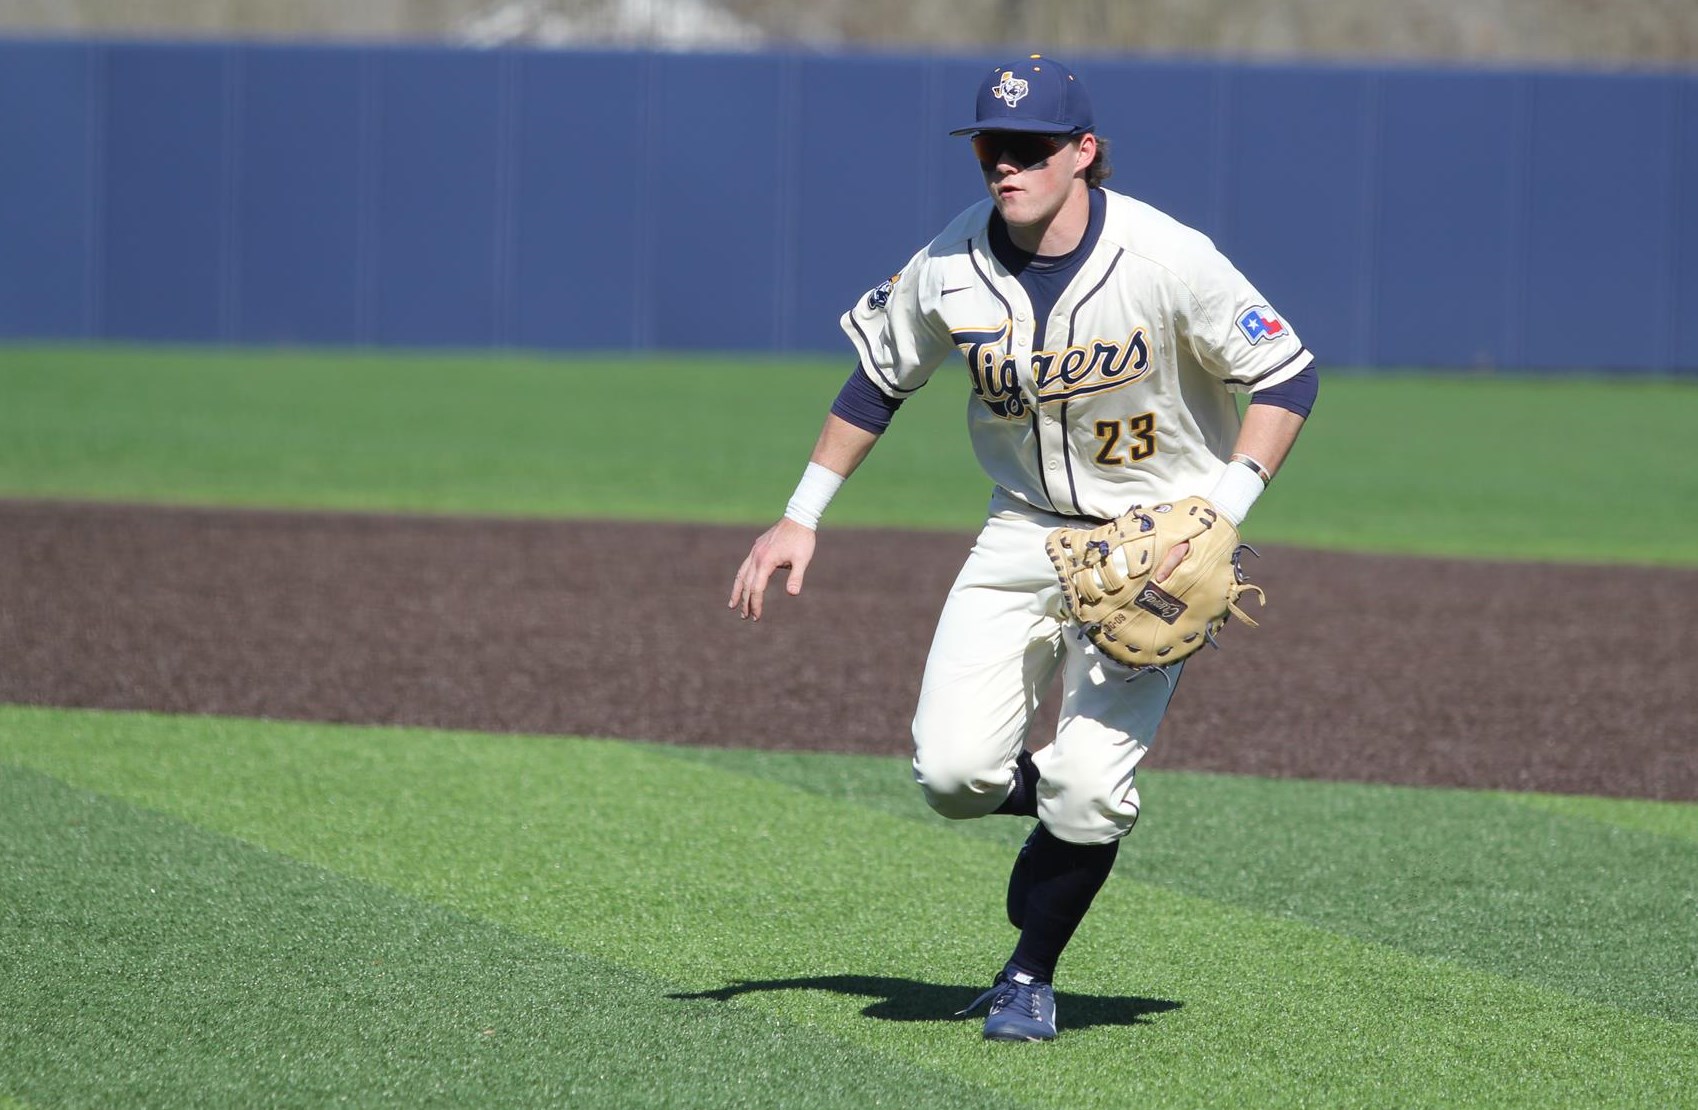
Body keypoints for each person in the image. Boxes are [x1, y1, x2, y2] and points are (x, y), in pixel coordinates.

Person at [728, 55, 1318, 1042]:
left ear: (1083, 153)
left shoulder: (1168, 257)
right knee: (954, 777)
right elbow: (877, 381)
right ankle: (1063, 799)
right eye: (993, 148)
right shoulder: (950, 263)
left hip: (1157, 545)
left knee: (1091, 791)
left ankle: (1028, 974)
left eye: (1032, 148)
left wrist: (1225, 509)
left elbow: (1287, 374)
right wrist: (801, 514)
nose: (1008, 166)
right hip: (1022, 529)